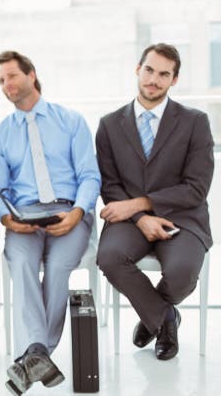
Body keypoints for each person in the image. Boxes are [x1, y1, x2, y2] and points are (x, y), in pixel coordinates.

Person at [0, 51, 100, 394]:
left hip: (68, 212)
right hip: (25, 219)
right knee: (20, 262)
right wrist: (8, 219)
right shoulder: (0, 136)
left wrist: (77, 213)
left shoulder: (71, 121)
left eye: (11, 76)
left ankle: (34, 353)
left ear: (31, 75)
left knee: (58, 267)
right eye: (1, 80)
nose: (6, 84)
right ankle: (39, 355)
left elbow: (90, 176)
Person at [96, 43, 214, 361]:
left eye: (164, 74)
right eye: (149, 70)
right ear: (138, 69)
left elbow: (197, 188)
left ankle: (153, 314)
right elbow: (110, 183)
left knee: (183, 272)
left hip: (182, 216)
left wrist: (141, 204)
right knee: (109, 257)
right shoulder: (109, 125)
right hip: (129, 221)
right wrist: (139, 218)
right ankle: (165, 318)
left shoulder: (195, 122)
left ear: (174, 80)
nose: (153, 80)